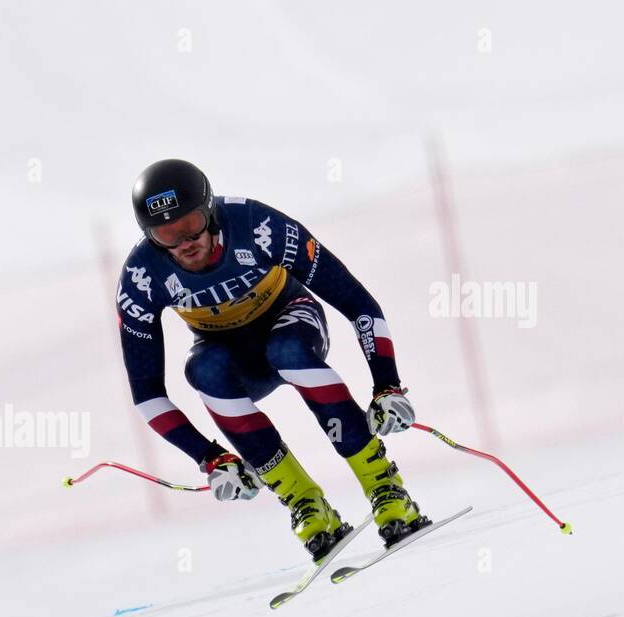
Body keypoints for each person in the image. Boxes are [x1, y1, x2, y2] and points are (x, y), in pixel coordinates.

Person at [116, 158, 429, 561]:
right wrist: (211, 458)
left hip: (292, 319)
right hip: (229, 355)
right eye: (166, 234)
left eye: (191, 224)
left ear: (210, 211)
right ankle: (306, 505)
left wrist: (387, 384)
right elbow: (147, 395)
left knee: (287, 352)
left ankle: (386, 489)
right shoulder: (141, 276)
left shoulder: (258, 225)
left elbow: (357, 303)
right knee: (202, 370)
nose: (183, 243)